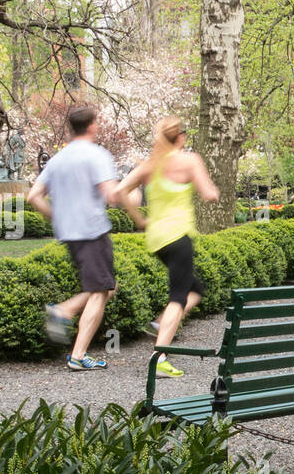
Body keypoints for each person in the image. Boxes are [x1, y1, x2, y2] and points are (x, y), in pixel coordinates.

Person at [114, 116, 219, 378]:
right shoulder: (190, 160)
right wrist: (208, 188)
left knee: (195, 289)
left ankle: (160, 324)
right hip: (179, 237)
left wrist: (139, 218)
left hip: (157, 240)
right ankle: (160, 357)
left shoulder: (151, 165)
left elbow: (120, 191)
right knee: (179, 297)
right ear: (181, 137)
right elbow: (209, 193)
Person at [27, 105, 125, 371]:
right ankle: (78, 354)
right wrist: (132, 196)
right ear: (92, 125)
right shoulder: (96, 155)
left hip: (69, 233)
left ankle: (66, 311)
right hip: (92, 231)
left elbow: (33, 196)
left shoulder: (57, 159)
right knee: (101, 291)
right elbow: (112, 195)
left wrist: (57, 218)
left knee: (107, 287)